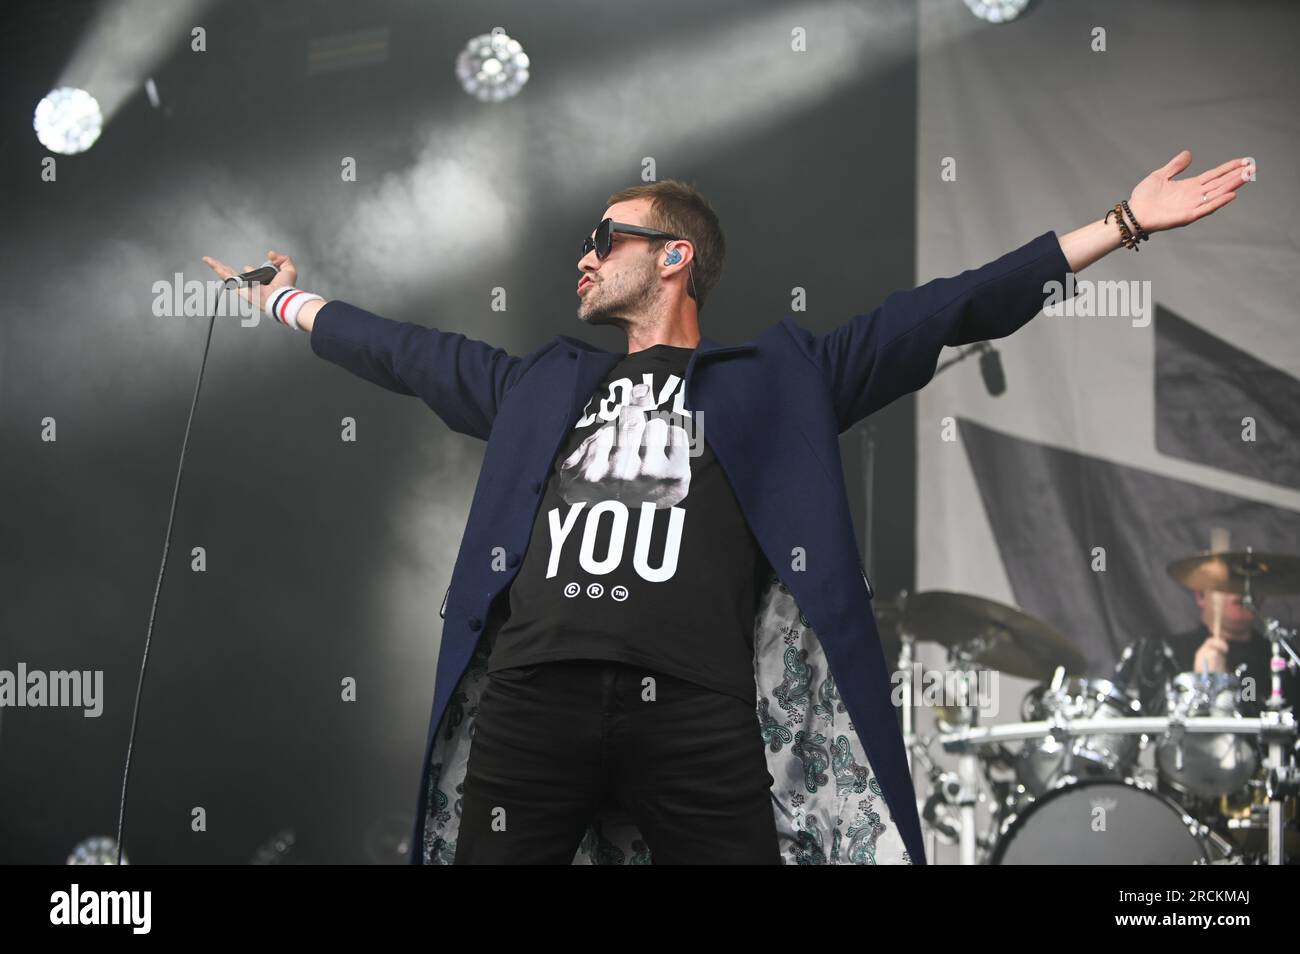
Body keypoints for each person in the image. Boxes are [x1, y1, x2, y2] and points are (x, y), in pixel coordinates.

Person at [204, 151, 1251, 864]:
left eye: (603, 236)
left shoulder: (781, 376)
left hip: (695, 708)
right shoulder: (543, 382)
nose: (582, 253)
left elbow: (950, 308)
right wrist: (287, 299)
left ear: (674, 255)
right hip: (538, 697)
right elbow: (407, 355)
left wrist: (1118, 225)